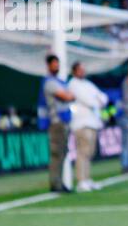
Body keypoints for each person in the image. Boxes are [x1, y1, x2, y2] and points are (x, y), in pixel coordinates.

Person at [68, 62, 107, 192]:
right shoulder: (73, 84)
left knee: (90, 152)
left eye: (83, 69)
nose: (82, 71)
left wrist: (99, 101)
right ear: (74, 71)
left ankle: (87, 178)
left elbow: (103, 96)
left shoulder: (88, 84)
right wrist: (97, 102)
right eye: (80, 69)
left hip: (93, 122)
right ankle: (81, 181)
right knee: (83, 152)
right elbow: (87, 100)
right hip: (81, 123)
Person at [42, 54, 75, 192]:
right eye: (54, 64)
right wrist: (69, 96)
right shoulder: (50, 83)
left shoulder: (59, 82)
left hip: (63, 122)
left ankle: (59, 182)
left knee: (62, 153)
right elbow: (67, 96)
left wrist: (69, 95)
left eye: (57, 63)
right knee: (57, 153)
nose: (57, 66)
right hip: (56, 122)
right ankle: (55, 184)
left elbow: (70, 95)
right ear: (49, 66)